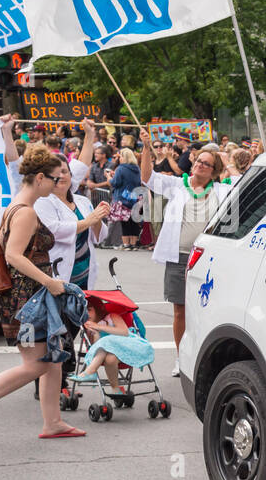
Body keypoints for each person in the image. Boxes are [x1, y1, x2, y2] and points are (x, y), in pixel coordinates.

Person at [0, 144, 86, 439]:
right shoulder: (25, 212)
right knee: (36, 364)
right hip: (26, 300)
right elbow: (13, 255)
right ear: (39, 178)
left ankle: (53, 422)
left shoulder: (16, 206)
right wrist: (50, 282)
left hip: (27, 298)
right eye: (54, 178)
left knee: (51, 359)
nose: (58, 183)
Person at [139, 129, 232, 376]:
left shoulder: (222, 191)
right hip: (180, 257)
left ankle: (205, 359)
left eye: (207, 164)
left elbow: (244, 182)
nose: (200, 165)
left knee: (206, 310)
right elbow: (147, 177)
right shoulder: (177, 185)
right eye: (199, 160)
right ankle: (181, 358)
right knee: (180, 310)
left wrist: (230, 164)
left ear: (214, 171)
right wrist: (147, 148)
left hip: (209, 260)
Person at [34, 155, 110, 293]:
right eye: (55, 173)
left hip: (85, 270)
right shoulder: (42, 201)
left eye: (64, 171)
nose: (61, 176)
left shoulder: (82, 201)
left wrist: (97, 218)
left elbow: (98, 236)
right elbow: (52, 230)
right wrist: (88, 221)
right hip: (57, 270)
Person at [69, 298, 154, 394]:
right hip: (113, 354)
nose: (86, 314)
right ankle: (116, 389)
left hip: (130, 347)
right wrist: (95, 333)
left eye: (89, 310)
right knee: (110, 359)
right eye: (84, 311)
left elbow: (124, 332)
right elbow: (96, 349)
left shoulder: (112, 316)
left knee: (106, 341)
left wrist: (100, 327)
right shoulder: (90, 327)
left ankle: (90, 371)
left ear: (98, 309)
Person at [110, 149, 144, 250]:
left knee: (124, 222)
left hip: (122, 197)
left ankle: (126, 244)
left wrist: (109, 178)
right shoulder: (137, 168)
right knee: (133, 221)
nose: (119, 158)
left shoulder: (121, 168)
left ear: (125, 158)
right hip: (134, 196)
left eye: (120, 156)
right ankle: (133, 244)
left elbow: (115, 183)